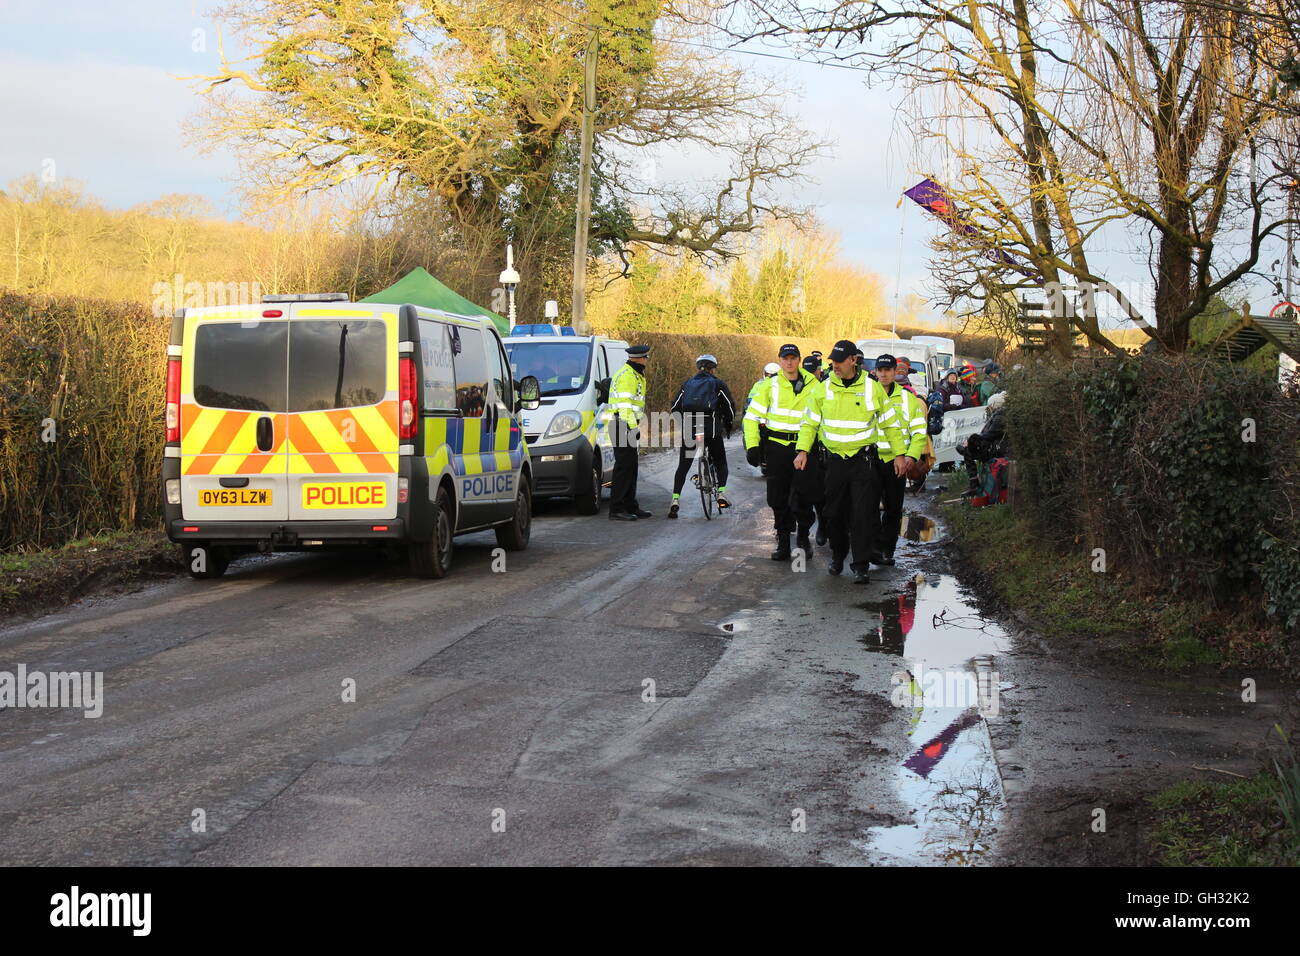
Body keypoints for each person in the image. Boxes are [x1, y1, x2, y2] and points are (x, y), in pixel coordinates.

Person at [795, 340, 904, 585]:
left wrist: (899, 454)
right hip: (834, 463)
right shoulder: (823, 388)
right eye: (832, 361)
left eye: (840, 361)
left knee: (863, 515)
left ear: (853, 360)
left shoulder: (871, 388)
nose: (835, 365)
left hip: (863, 462)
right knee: (834, 514)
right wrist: (802, 450)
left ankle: (861, 564)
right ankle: (838, 555)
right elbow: (809, 423)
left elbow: (889, 424)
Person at [743, 343, 820, 559]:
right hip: (777, 447)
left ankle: (803, 538)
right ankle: (784, 541)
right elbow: (751, 418)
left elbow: (823, 417)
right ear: (779, 360)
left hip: (804, 448)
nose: (789, 362)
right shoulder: (770, 386)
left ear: (799, 360)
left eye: (793, 358)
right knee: (778, 497)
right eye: (785, 358)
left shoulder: (814, 385)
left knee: (804, 495)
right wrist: (753, 446)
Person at [870, 354, 929, 566]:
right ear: (875, 372)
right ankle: (875, 547)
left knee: (893, 508)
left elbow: (919, 432)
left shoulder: (907, 399)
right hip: (871, 459)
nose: (884, 374)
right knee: (869, 506)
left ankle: (888, 549)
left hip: (898, 462)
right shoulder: (867, 395)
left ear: (896, 372)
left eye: (888, 370)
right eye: (880, 370)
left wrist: (911, 456)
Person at [668, 354, 736, 517]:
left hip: (691, 429)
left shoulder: (687, 384)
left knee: (683, 466)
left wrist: (684, 422)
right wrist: (728, 425)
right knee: (720, 461)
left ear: (698, 368)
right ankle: (721, 494)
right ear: (713, 369)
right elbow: (729, 407)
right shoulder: (718, 384)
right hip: (711, 429)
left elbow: (674, 407)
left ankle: (675, 499)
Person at [607, 345, 653, 521]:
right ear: (640, 358)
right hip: (622, 425)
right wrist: (633, 428)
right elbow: (625, 406)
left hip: (624, 424)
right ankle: (616, 509)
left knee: (631, 467)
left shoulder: (634, 374)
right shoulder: (627, 376)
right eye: (646, 357)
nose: (647, 360)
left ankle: (630, 505)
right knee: (624, 468)